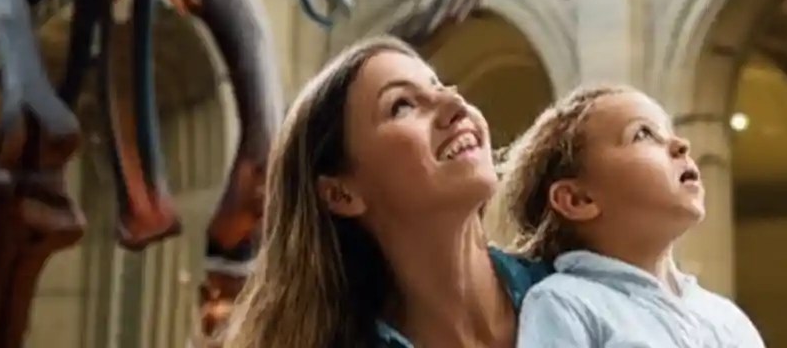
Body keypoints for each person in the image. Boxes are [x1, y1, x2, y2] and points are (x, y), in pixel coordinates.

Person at [224, 35, 550, 348]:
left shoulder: (574, 289)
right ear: (341, 194)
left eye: (441, 86)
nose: (454, 102)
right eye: (402, 106)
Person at [499, 84, 767, 347]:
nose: (681, 144)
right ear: (578, 200)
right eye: (643, 134)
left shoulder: (728, 319)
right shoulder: (566, 303)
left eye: (669, 132)